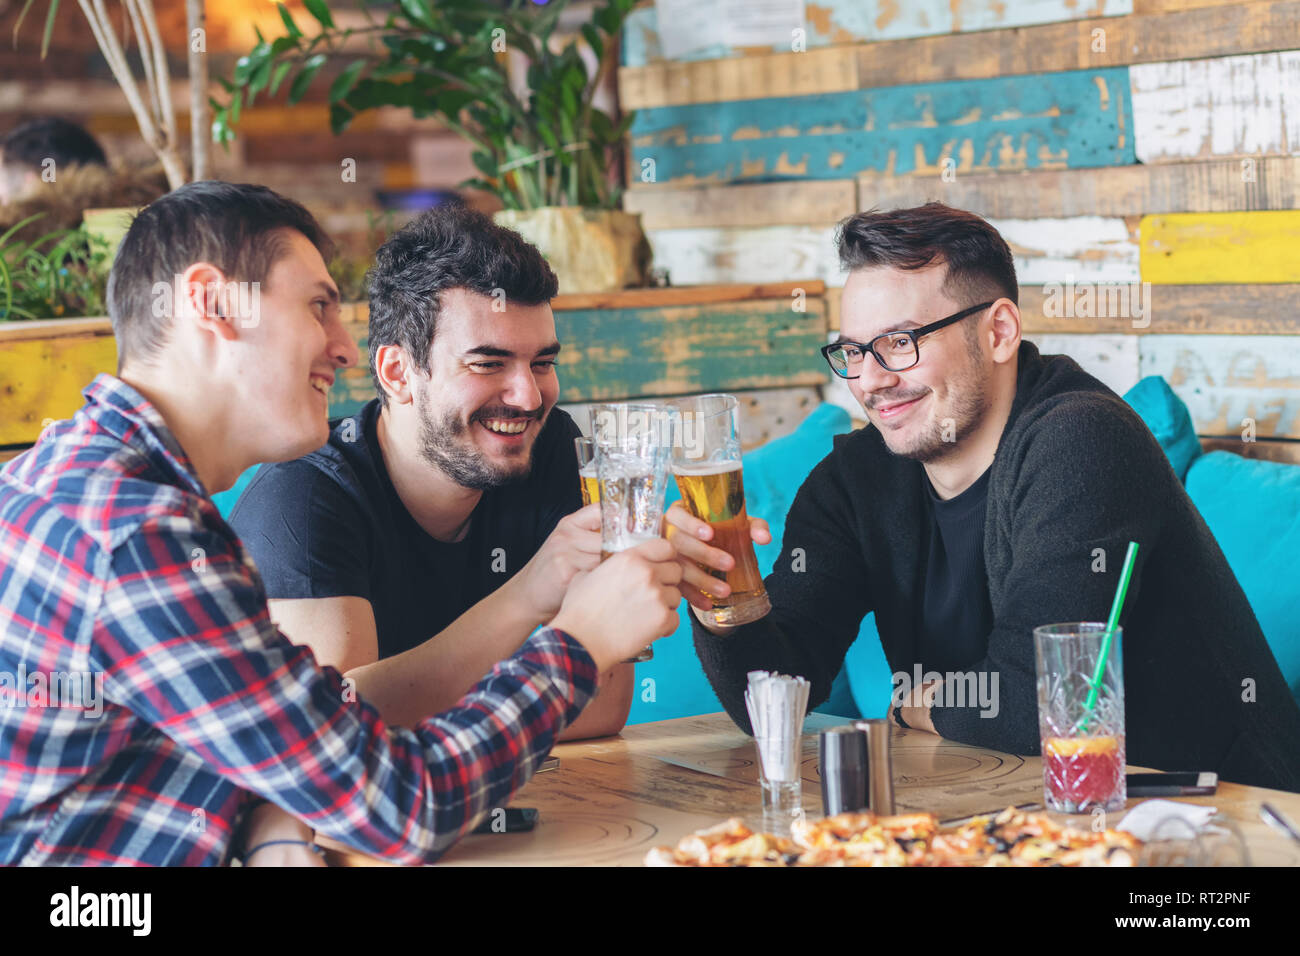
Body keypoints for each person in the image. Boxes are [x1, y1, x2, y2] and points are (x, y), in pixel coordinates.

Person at [0, 181, 683, 866]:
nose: (344, 348)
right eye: (319, 307)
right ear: (213, 305)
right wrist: (580, 641)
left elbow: (264, 742)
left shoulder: (79, 486)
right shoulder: (138, 534)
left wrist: (269, 828)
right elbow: (402, 807)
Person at [668, 202, 1300, 792]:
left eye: (900, 342)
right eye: (855, 350)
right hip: (1015, 811)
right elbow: (776, 699)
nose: (871, 380)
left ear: (998, 331)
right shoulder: (857, 479)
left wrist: (923, 703)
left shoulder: (1082, 439)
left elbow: (1038, 701)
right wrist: (724, 592)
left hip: (1211, 822)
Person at [227, 205, 632, 739]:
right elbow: (336, 730)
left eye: (542, 363)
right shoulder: (303, 495)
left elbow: (603, 704)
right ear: (398, 373)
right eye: (488, 364)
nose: (529, 396)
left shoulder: (551, 446)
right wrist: (529, 594)